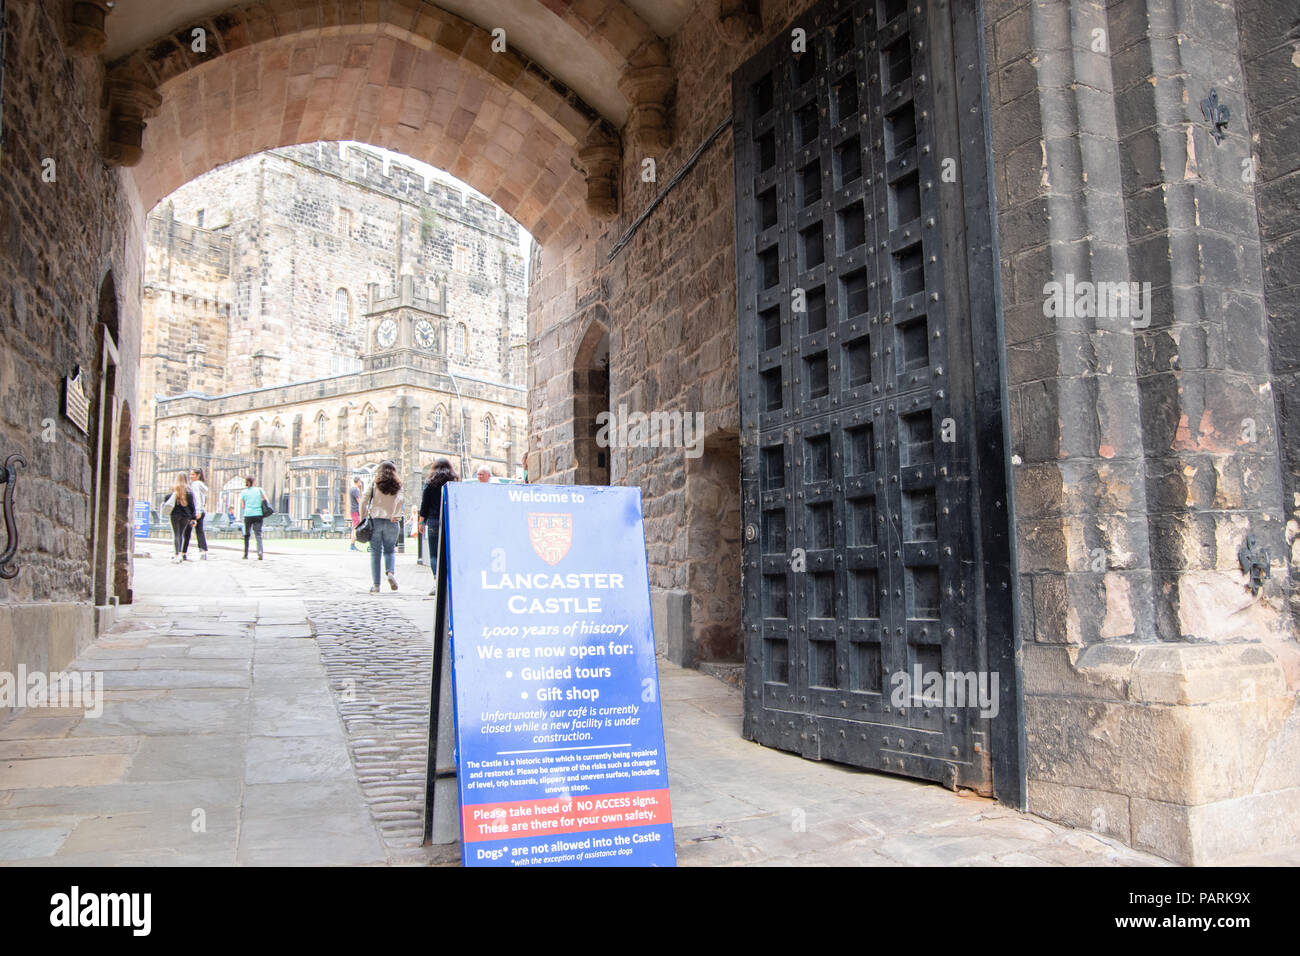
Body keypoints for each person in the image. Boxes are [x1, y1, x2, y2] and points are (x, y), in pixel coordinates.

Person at [360, 460, 404, 593]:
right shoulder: (398, 485)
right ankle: (390, 573)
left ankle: (376, 585)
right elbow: (400, 499)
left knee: (375, 552)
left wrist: (363, 517)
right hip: (392, 521)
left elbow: (363, 501)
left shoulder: (375, 484)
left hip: (376, 521)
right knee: (390, 550)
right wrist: (395, 514)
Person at [419, 459, 458, 596]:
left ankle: (437, 582)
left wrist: (421, 522)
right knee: (449, 552)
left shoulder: (430, 483)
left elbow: (425, 503)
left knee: (434, 554)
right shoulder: (454, 481)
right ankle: (449, 583)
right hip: (450, 519)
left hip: (434, 521)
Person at [161, 471, 196, 564]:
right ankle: (179, 553)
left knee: (176, 534)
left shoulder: (173, 489)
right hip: (186, 515)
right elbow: (192, 505)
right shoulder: (189, 490)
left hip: (175, 514)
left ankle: (177, 554)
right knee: (181, 534)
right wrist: (193, 518)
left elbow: (166, 500)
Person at [237, 475, 268, 560]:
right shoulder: (259, 490)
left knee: (247, 535)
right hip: (258, 514)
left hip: (248, 515)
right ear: (254, 482)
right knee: (258, 534)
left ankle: (245, 554)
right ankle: (260, 552)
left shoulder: (244, 492)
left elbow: (243, 506)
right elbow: (266, 501)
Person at [188, 468, 210, 561]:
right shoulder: (202, 485)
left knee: (187, 531)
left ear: (198, 475)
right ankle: (203, 550)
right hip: (201, 510)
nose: (191, 476)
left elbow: (196, 498)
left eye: (193, 474)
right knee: (199, 531)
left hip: (197, 511)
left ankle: (182, 551)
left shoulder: (195, 485)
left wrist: (198, 511)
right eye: (190, 474)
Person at [348, 477, 364, 551]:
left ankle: (353, 544)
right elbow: (359, 501)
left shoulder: (354, 489)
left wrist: (360, 489)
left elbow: (360, 497)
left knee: (355, 527)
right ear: (358, 481)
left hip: (354, 510)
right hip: (355, 510)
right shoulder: (354, 489)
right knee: (355, 527)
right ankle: (352, 545)